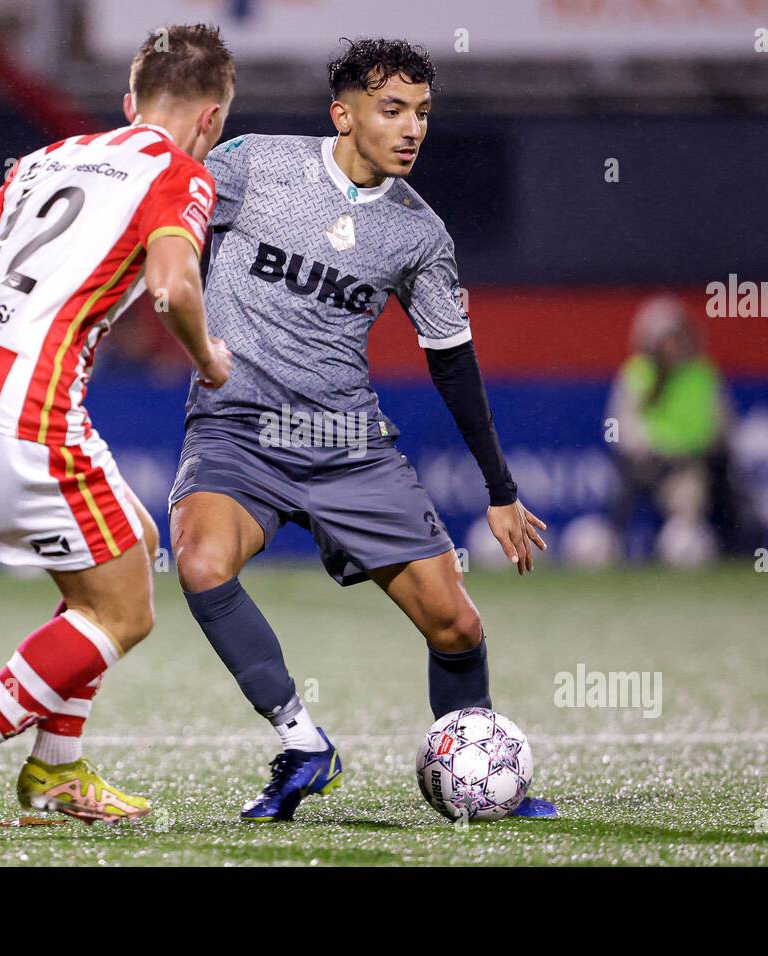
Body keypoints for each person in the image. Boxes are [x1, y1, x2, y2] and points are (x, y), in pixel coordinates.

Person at [168, 38, 557, 822]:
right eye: (392, 111)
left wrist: (500, 490)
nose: (412, 128)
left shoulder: (420, 235)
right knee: (202, 563)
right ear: (343, 115)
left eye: (421, 113)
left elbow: (454, 362)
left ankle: (478, 777)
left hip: (345, 445)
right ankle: (303, 744)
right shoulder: (254, 165)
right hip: (239, 430)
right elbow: (162, 220)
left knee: (456, 624)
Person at [0, 24, 235, 843]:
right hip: (26, 411)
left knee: (123, 553)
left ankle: (55, 770)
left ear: (128, 103)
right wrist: (209, 359)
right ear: (212, 118)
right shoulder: (179, 173)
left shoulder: (50, 158)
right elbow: (172, 287)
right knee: (125, 612)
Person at [607, 295, 752, 564]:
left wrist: (691, 452)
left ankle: (691, 541)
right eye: (665, 339)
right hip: (646, 465)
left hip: (689, 464)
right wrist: (648, 449)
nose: (672, 346)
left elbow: (723, 428)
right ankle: (610, 541)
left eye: (677, 337)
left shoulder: (702, 376)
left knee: (691, 493)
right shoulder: (638, 374)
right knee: (620, 487)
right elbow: (620, 426)